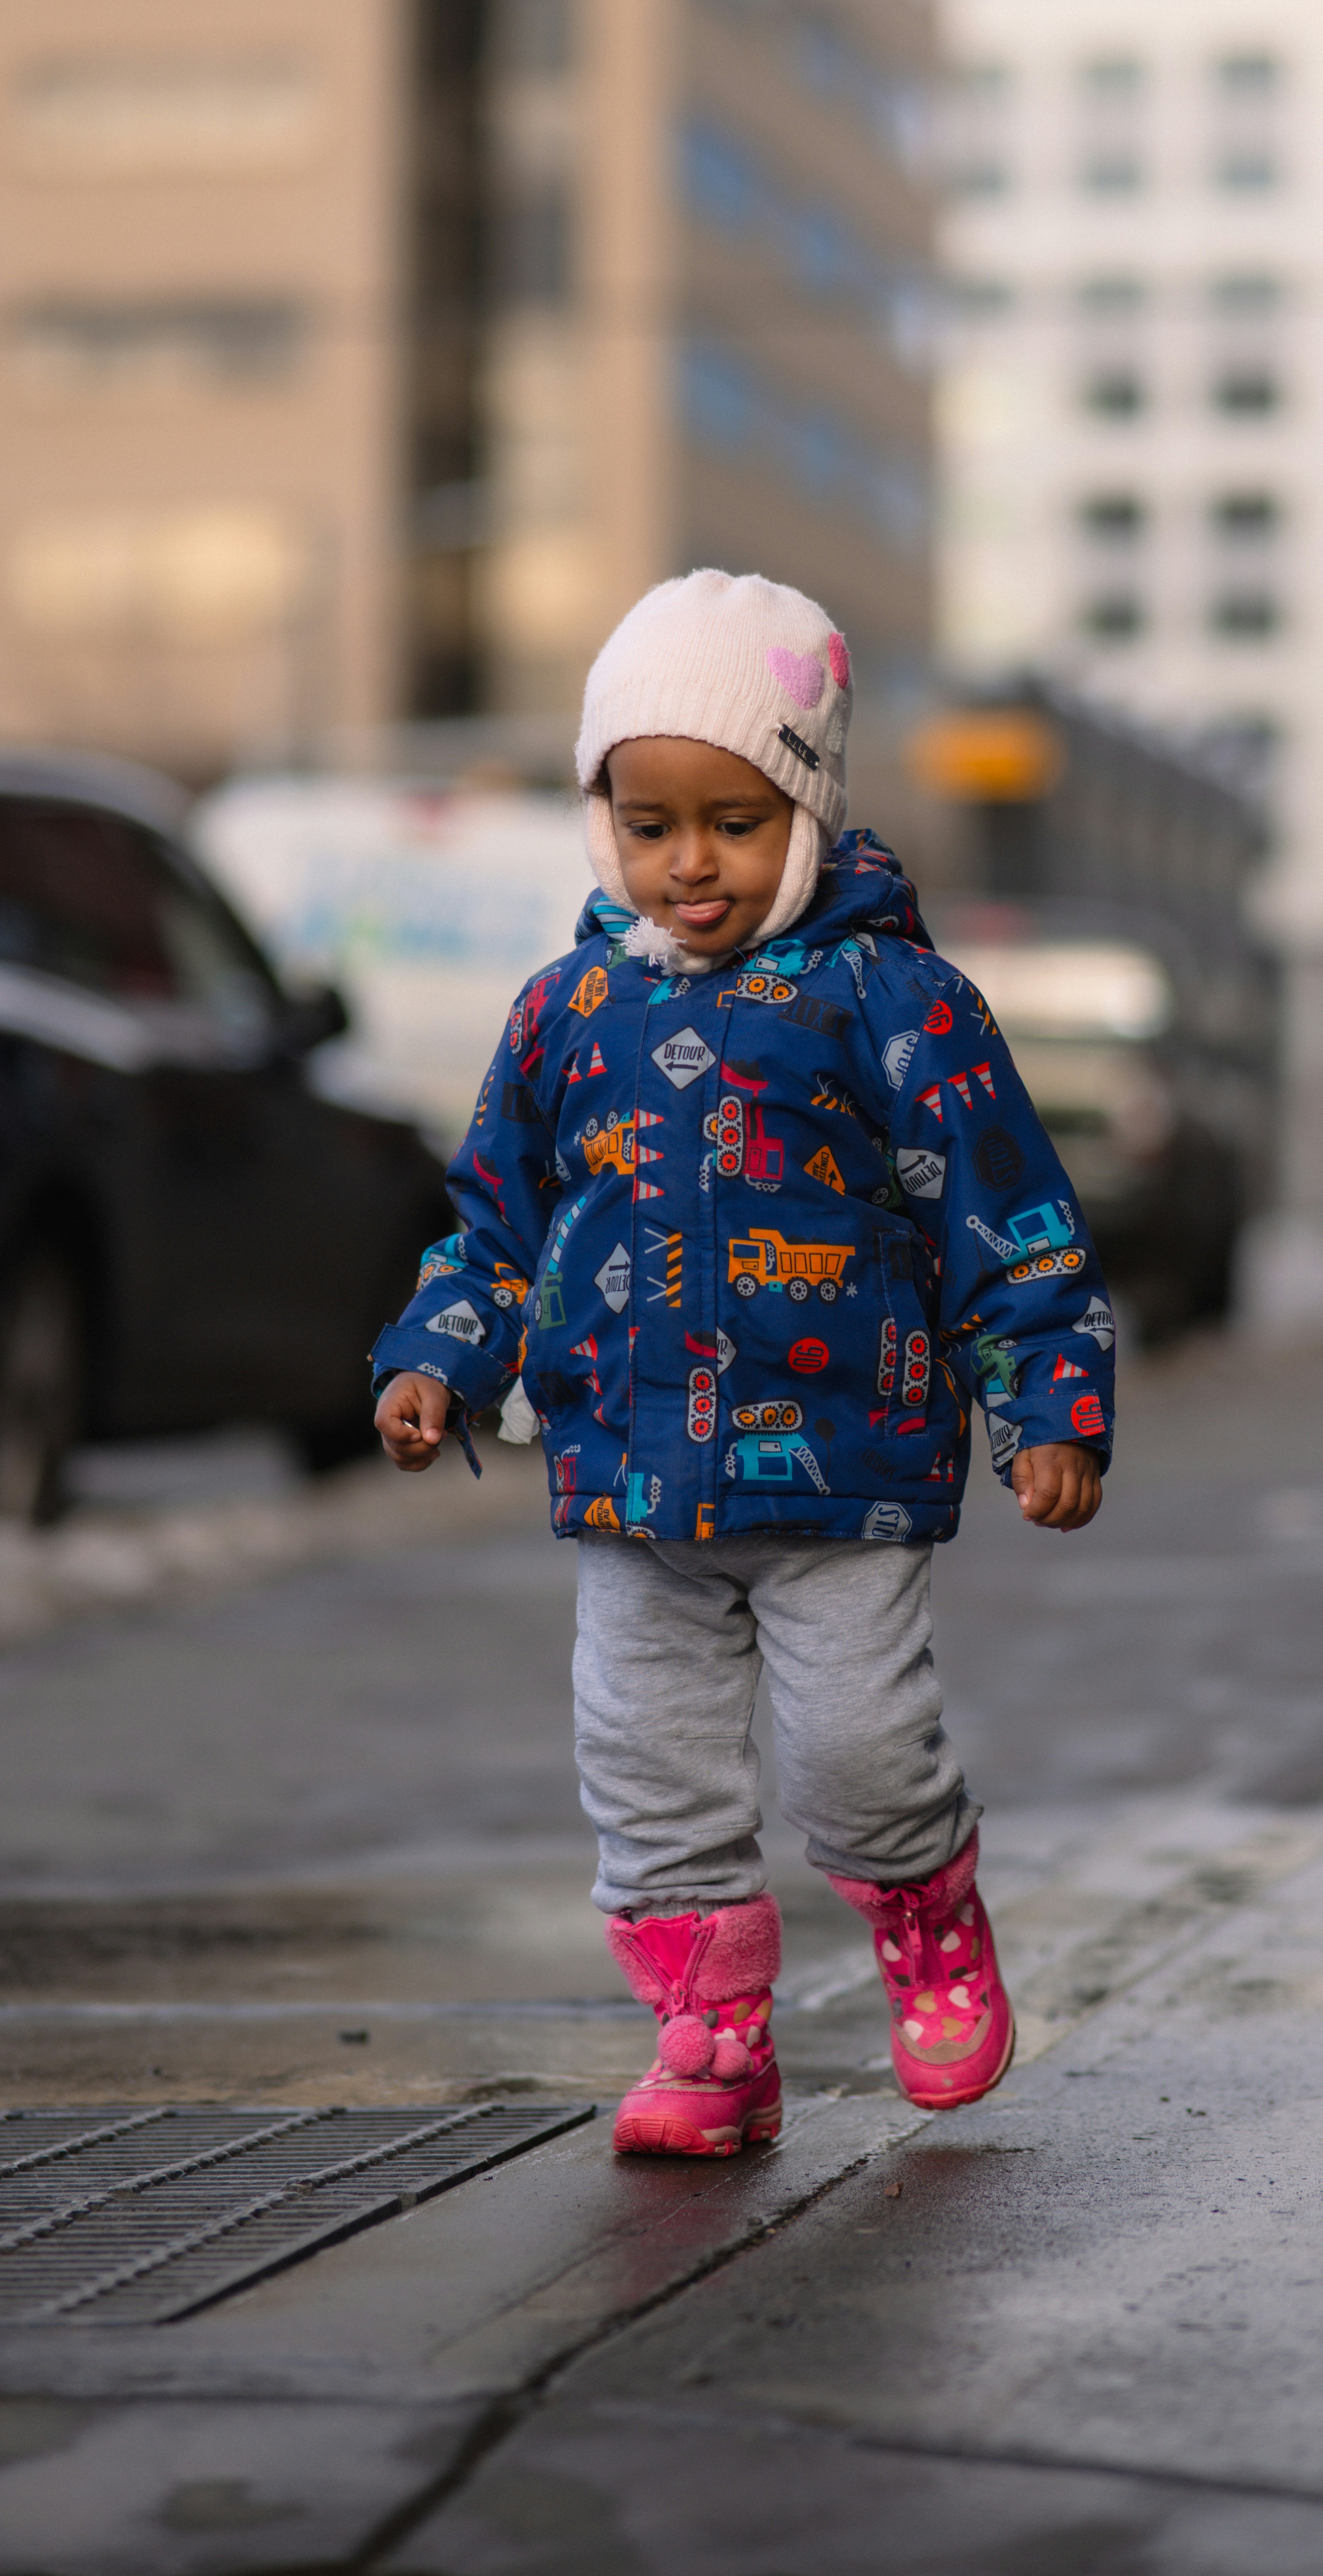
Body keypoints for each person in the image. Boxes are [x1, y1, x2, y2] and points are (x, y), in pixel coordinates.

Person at [372, 570, 1114, 2157]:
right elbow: (493, 1221)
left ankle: (923, 1909)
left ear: (809, 809)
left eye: (733, 818)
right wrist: (439, 1352)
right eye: (649, 823)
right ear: (604, 821)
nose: (687, 861)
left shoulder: (891, 1002)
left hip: (842, 1484)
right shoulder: (566, 1013)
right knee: (649, 1784)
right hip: (633, 1490)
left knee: (856, 1758)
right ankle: (709, 2043)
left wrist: (1045, 1398)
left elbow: (1003, 1213)